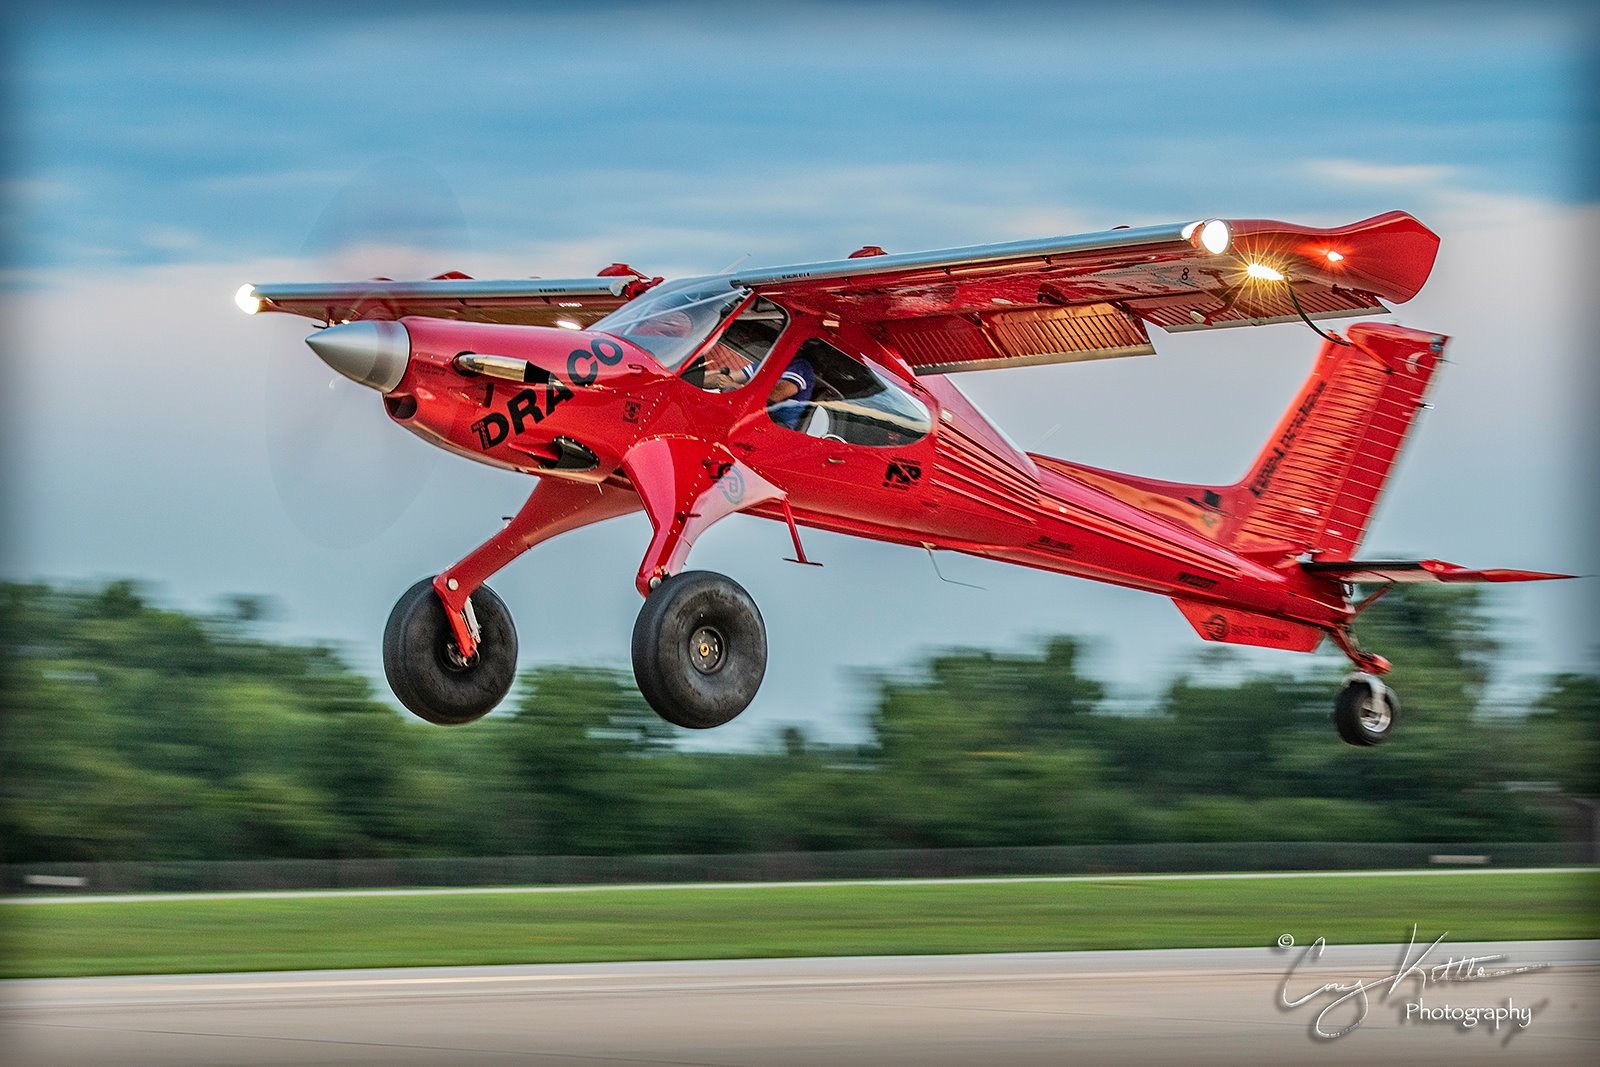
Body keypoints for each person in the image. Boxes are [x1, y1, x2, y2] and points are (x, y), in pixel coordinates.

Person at [767, 351, 816, 431]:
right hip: (773, 419)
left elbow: (776, 395)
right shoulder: (775, 364)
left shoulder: (802, 366)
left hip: (777, 423)